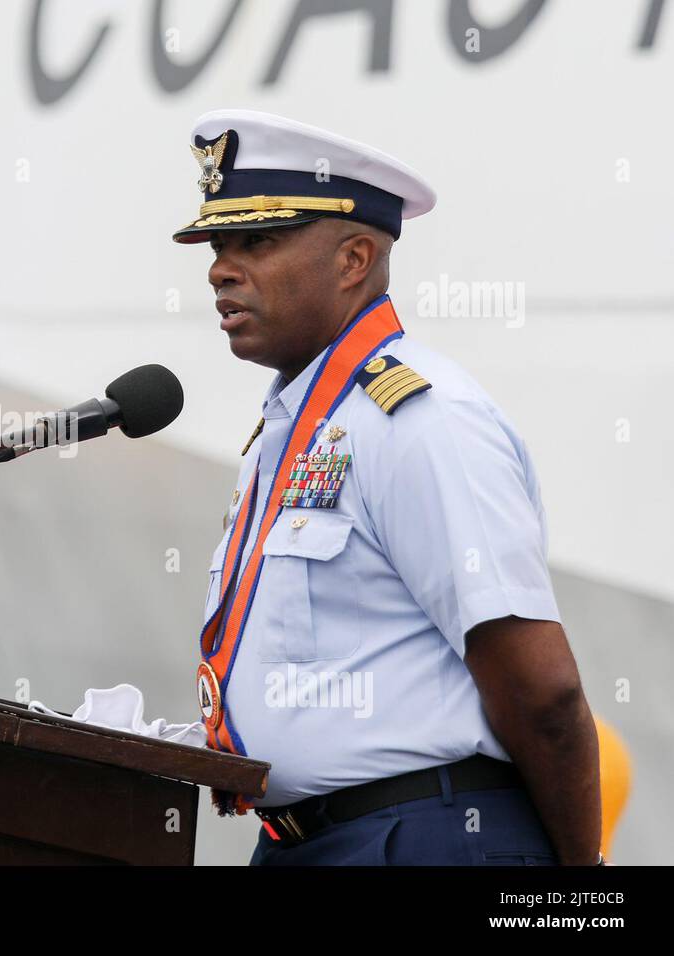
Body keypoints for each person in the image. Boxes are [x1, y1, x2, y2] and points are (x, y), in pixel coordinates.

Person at [174, 110, 602, 865]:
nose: (219, 269)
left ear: (354, 259)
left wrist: (578, 887)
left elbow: (544, 693)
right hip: (303, 843)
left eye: (257, 242)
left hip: (419, 840)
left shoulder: (420, 420)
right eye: (217, 246)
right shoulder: (297, 426)